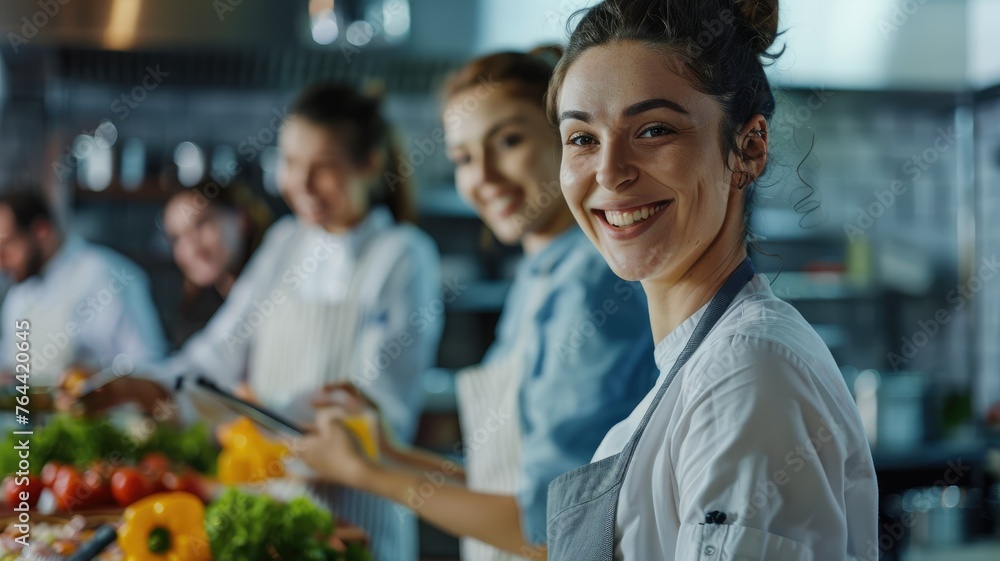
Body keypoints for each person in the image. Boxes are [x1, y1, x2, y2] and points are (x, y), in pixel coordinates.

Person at [539, 1, 879, 559]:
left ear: (749, 147)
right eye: (582, 139)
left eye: (653, 130)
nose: (609, 172)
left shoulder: (745, 369)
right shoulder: (696, 367)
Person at [295, 48, 657, 560]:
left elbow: (557, 532)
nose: (483, 175)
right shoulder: (539, 277)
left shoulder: (591, 286)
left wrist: (365, 473)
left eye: (508, 140)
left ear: (570, 139)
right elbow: (518, 485)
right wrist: (390, 454)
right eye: (463, 157)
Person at [77, 85, 443, 561]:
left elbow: (379, 409)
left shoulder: (402, 255)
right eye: (291, 163)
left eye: (324, 167)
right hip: (269, 518)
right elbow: (217, 354)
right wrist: (145, 386)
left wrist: (263, 420)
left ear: (369, 164)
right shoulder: (286, 241)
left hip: (360, 521)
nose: (302, 184)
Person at [0, 190, 167, 388]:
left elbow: (150, 366)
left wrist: (98, 379)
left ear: (41, 231)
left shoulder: (104, 274)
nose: (2, 263)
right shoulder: (19, 293)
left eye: (7, 247)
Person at [161, 180, 273, 343]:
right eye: (176, 238)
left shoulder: (276, 291)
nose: (191, 246)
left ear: (242, 219)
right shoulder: (194, 315)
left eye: (202, 223)